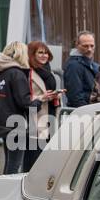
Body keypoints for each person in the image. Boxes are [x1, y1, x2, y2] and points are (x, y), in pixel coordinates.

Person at [0, 42, 40, 175]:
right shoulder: (16, 74)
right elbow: (25, 103)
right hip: (16, 125)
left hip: (2, 123)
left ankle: (3, 189)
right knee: (14, 166)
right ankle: (8, 192)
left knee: (9, 163)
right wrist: (39, 101)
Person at [26, 40, 62, 171]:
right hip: (36, 117)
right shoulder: (27, 72)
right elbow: (23, 97)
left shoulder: (48, 70)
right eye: (40, 52)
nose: (44, 55)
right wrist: (42, 98)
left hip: (51, 115)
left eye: (46, 53)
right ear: (32, 54)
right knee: (35, 158)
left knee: (48, 155)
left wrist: (56, 95)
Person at [63, 30, 99, 108]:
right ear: (77, 45)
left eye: (92, 46)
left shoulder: (94, 65)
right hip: (83, 113)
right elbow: (75, 96)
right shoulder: (73, 66)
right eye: (85, 46)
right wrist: (88, 112)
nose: (89, 49)